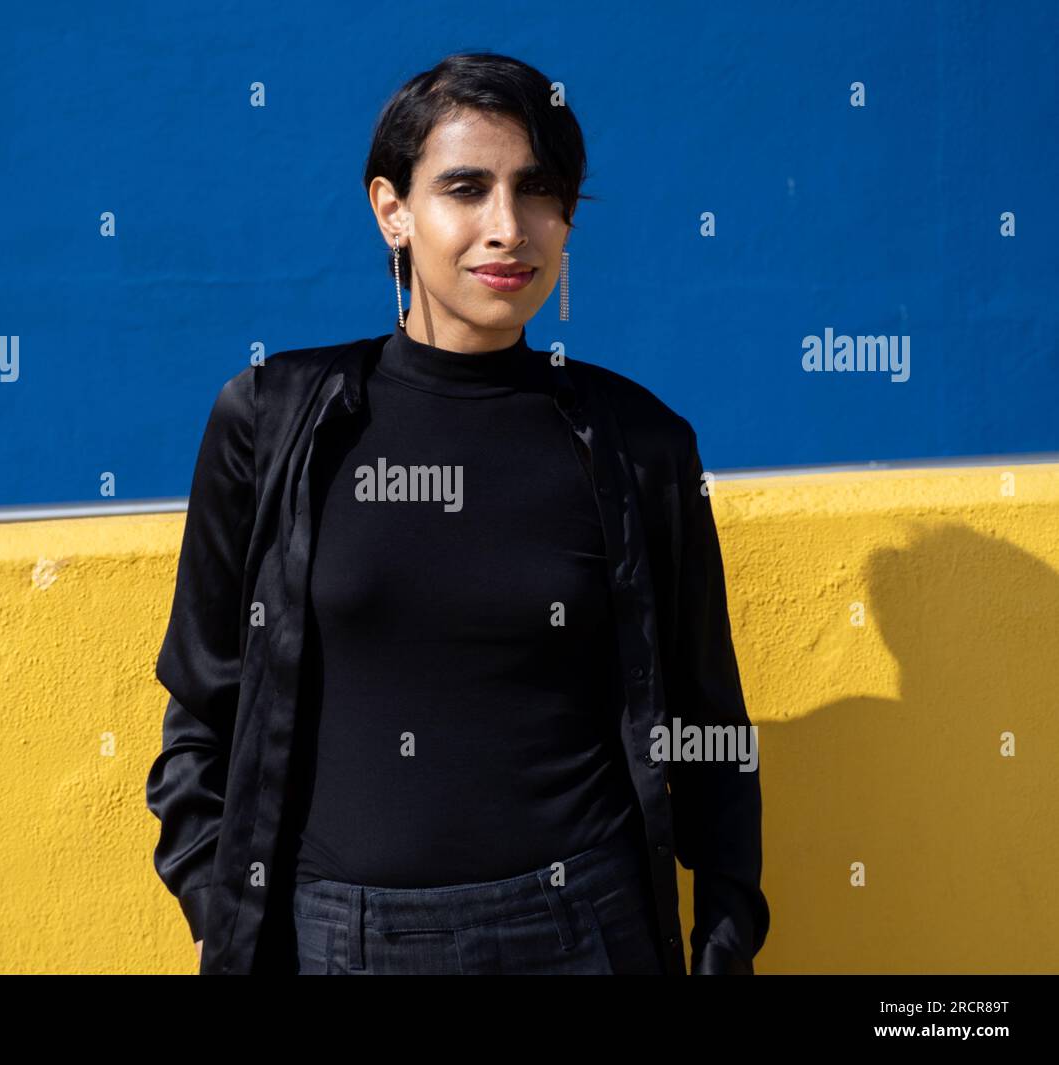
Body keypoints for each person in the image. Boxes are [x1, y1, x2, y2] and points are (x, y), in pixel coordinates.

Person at [147, 51, 769, 975]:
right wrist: (216, 909)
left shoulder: (639, 444)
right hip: (335, 943)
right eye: (466, 188)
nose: (507, 228)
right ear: (392, 210)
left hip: (586, 935)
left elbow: (708, 728)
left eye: (540, 191)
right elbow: (203, 710)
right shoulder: (275, 420)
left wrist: (721, 950)